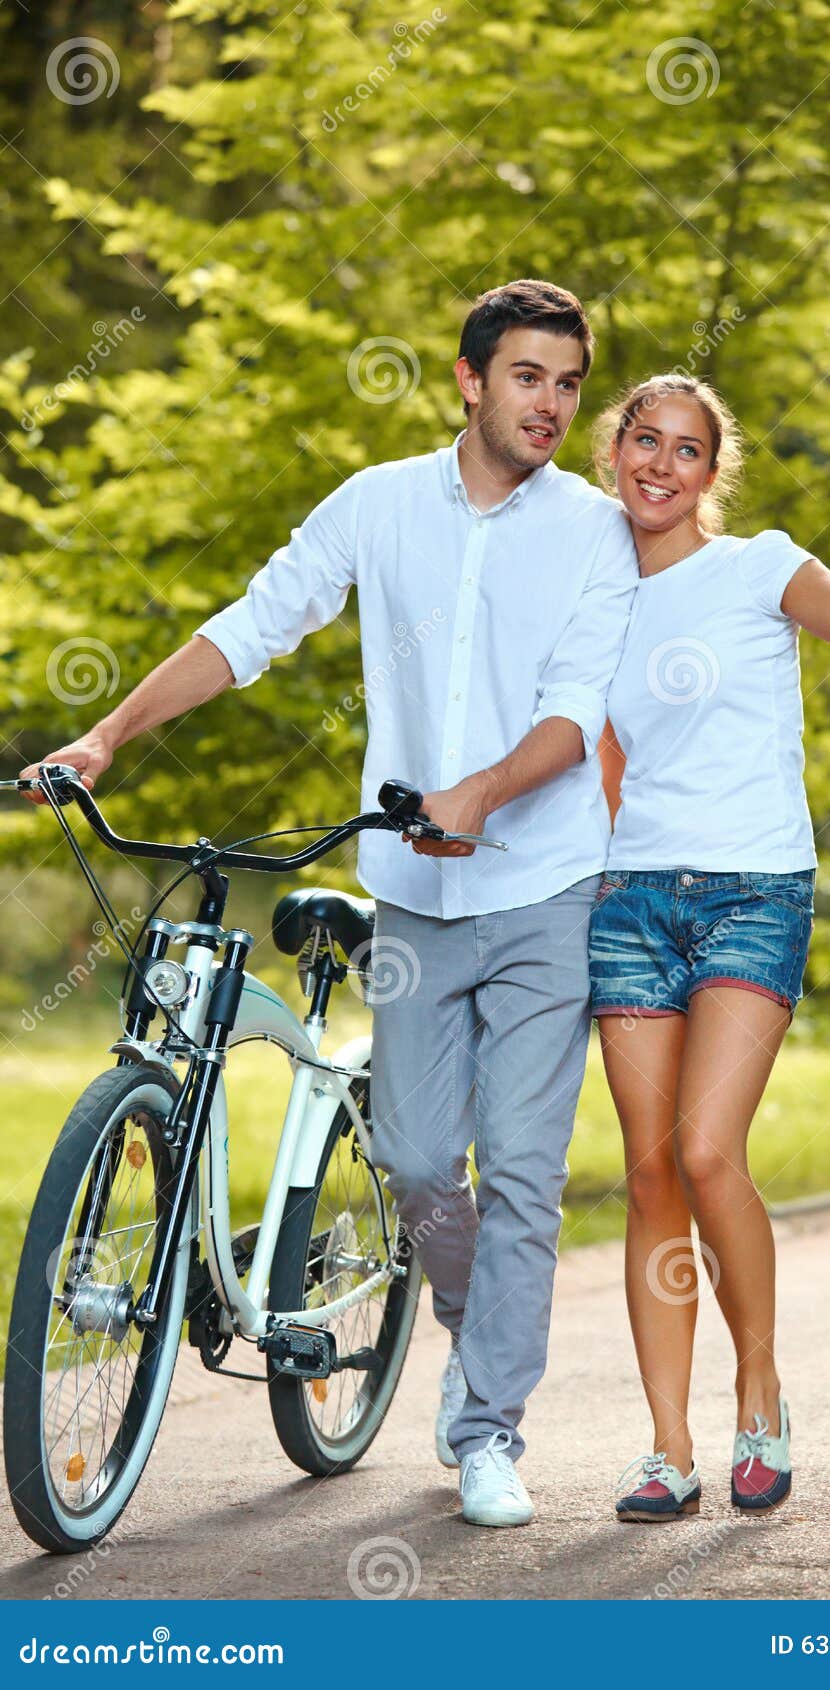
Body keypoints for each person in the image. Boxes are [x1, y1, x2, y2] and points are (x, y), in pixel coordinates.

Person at [20, 279, 639, 1528]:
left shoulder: (592, 529)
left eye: (568, 384)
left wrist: (478, 791)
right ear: (468, 380)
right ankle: (479, 1320)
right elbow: (254, 626)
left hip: (545, 891)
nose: (552, 406)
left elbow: (576, 714)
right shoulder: (377, 505)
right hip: (410, 897)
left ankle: (484, 1425)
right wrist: (104, 734)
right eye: (528, 377)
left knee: (521, 1171)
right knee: (416, 1161)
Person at [588, 374, 830, 1522]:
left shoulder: (757, 567)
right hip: (630, 897)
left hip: (754, 893)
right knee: (645, 1171)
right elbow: (599, 765)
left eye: (687, 450)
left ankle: (759, 1390)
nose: (661, 465)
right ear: (615, 449)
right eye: (645, 440)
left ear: (708, 473)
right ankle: (667, 1447)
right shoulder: (589, 601)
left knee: (702, 1150)